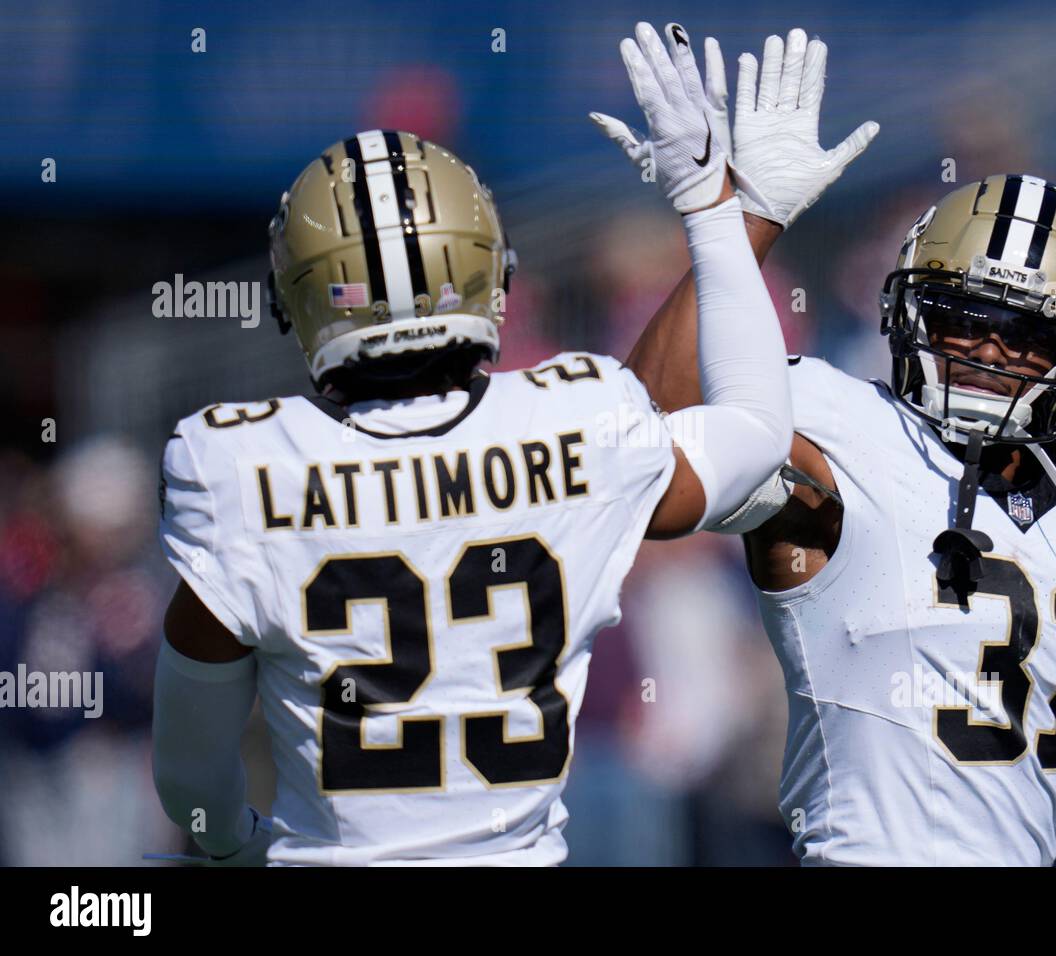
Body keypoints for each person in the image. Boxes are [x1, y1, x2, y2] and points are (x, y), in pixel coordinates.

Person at [623, 27, 1056, 866]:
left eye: (1025, 332)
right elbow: (639, 447)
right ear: (908, 312)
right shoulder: (837, 429)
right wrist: (738, 222)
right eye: (961, 316)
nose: (988, 348)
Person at [150, 22, 792, 865]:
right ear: (491, 270)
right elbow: (754, 428)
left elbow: (191, 780)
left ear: (300, 298)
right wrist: (724, 214)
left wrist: (233, 841)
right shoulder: (576, 418)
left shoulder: (230, 463)